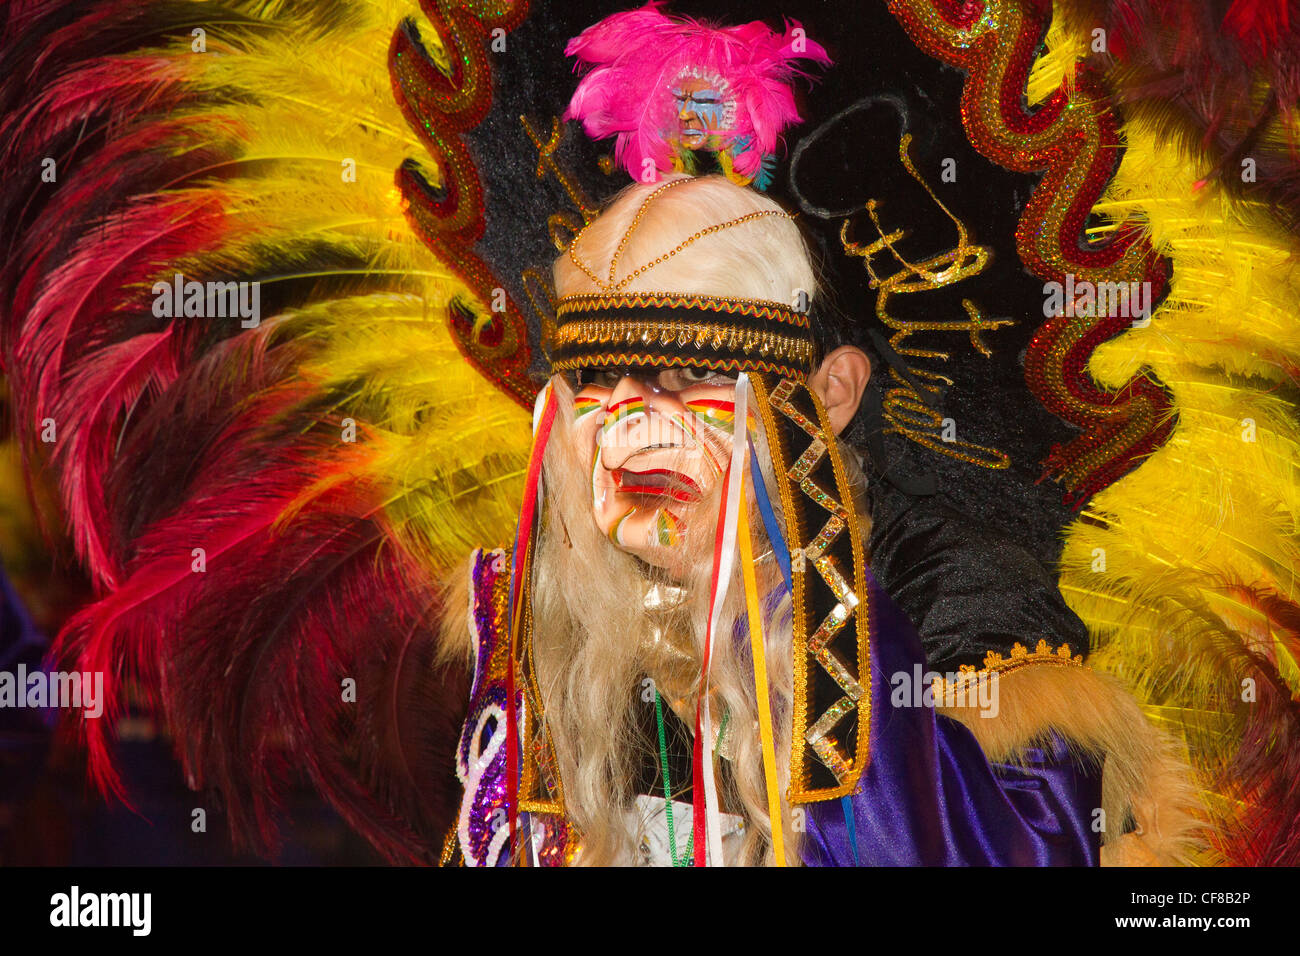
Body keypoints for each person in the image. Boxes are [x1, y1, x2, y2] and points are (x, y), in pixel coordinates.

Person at [440, 172, 1203, 866]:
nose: (633, 421)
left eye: (695, 372)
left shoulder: (964, 589)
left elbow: (982, 853)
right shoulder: (542, 603)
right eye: (599, 379)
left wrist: (769, 583)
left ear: (831, 393)